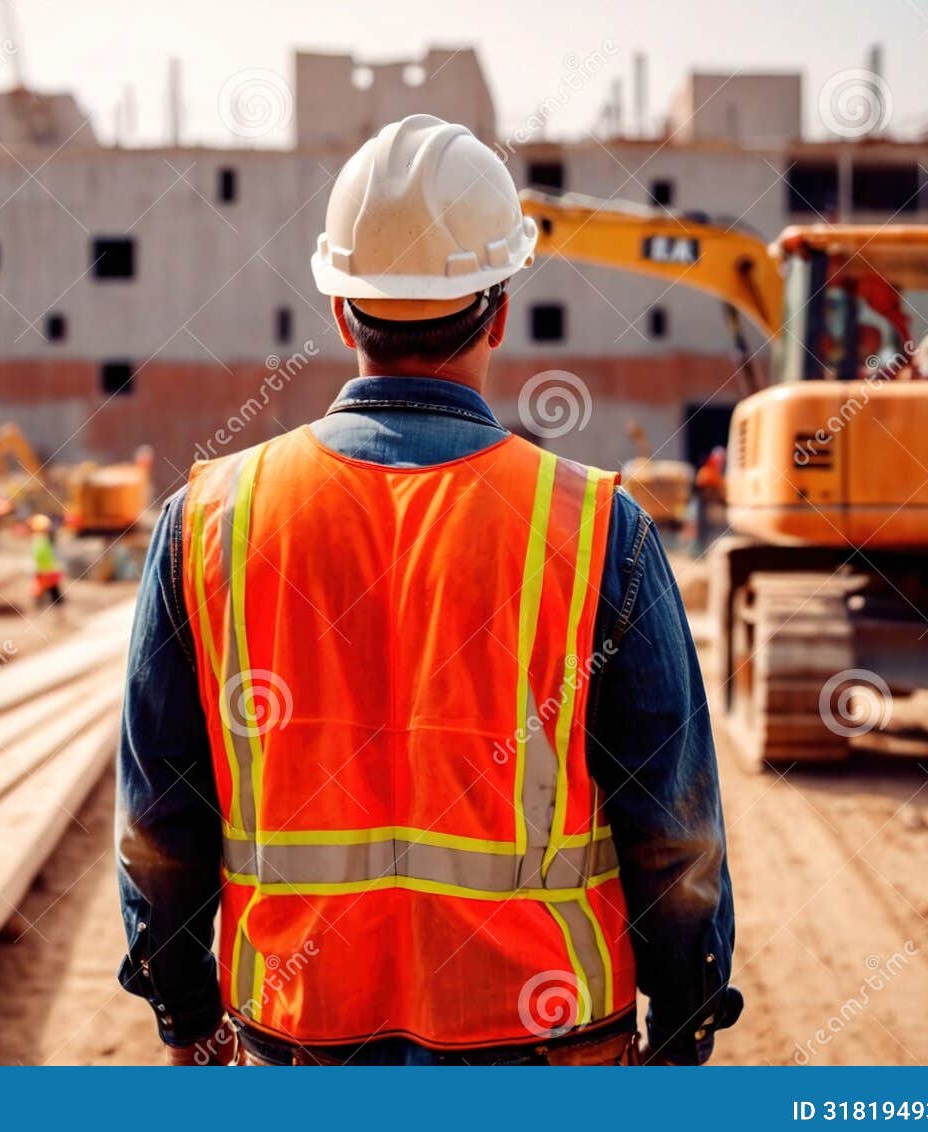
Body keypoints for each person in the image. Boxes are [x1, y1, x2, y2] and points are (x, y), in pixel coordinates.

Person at [115, 114, 739, 1067]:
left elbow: (160, 828)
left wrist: (189, 1016)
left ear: (339, 310)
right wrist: (683, 1034)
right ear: (499, 310)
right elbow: (675, 837)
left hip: (300, 1046)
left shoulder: (208, 522)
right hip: (545, 1049)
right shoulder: (596, 529)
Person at [693, 445, 727, 553]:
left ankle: (704, 549)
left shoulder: (716, 473)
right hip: (702, 504)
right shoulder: (707, 472)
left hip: (709, 506)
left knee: (708, 530)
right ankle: (699, 549)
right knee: (701, 528)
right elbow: (702, 487)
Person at [28, 513, 63, 609]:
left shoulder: (41, 538)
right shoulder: (40, 539)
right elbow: (40, 554)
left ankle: (54, 602)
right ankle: (43, 603)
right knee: (46, 588)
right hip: (46, 568)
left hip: (47, 568)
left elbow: (44, 554)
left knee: (51, 588)